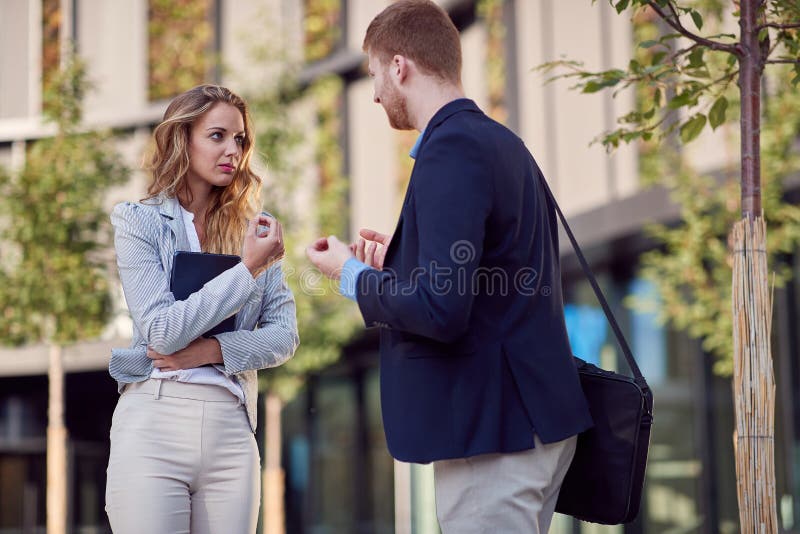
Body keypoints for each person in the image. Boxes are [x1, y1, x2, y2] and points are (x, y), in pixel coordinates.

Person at [305, 1, 592, 532]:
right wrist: (401, 259)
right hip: (528, 423)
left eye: (372, 74)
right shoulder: (501, 141)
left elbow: (441, 308)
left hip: (492, 434)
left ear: (399, 66)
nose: (372, 93)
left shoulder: (450, 147)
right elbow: (489, 271)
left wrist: (350, 275)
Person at [105, 84, 299, 534]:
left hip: (232, 430)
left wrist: (211, 351)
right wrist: (246, 269)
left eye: (240, 139)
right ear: (182, 139)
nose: (233, 149)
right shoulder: (138, 220)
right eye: (217, 136)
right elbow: (161, 332)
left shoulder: (255, 231)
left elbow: (284, 337)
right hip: (155, 423)